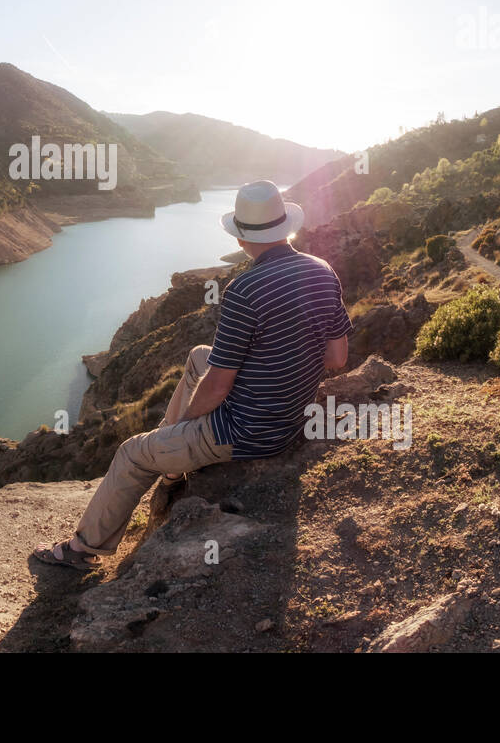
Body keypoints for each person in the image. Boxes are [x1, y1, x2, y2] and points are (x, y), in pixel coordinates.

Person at [33, 179, 351, 570]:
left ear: (241, 239)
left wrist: (182, 426)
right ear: (285, 228)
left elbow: (218, 385)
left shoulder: (244, 290)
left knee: (132, 453)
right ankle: (172, 469)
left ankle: (84, 549)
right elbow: (337, 358)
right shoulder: (323, 271)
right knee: (200, 356)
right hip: (292, 418)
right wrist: (286, 359)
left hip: (249, 432)